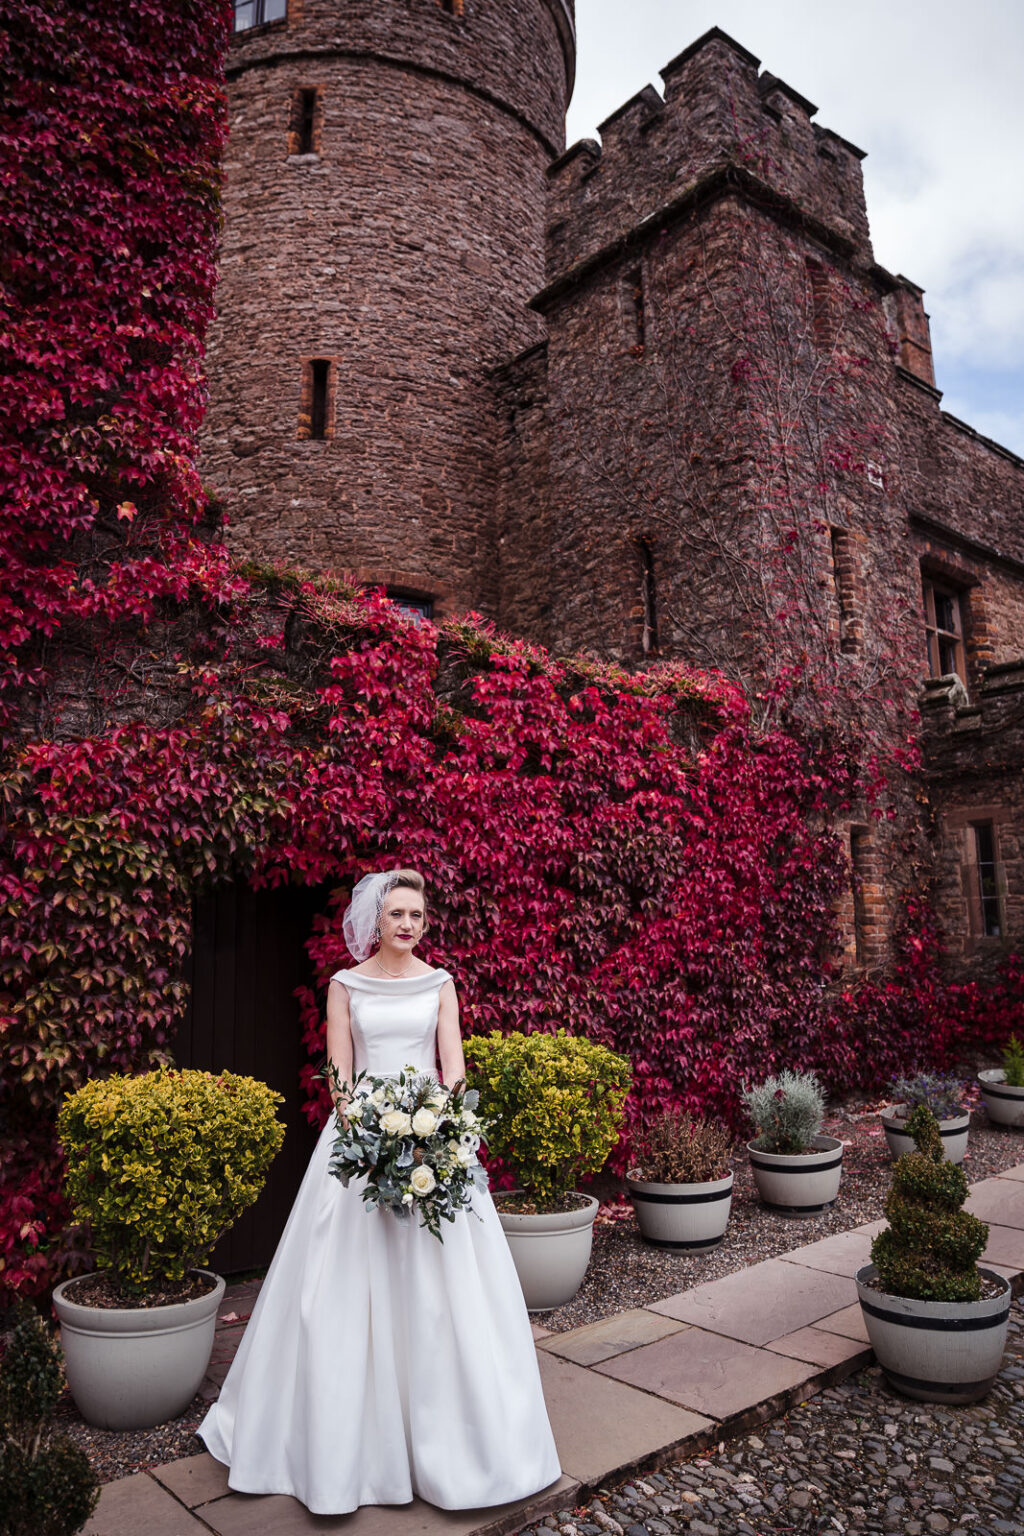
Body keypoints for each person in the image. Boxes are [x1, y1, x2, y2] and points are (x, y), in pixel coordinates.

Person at [197, 867, 561, 1516]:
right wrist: (368, 1131)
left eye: (416, 916)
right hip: (360, 1136)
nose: (407, 924)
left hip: (430, 1134)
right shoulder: (344, 987)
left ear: (424, 924)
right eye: (397, 913)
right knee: (335, 1287)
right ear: (376, 920)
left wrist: (433, 1134)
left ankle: (459, 1445)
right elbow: (340, 1072)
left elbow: (453, 1071)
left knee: (444, 1291)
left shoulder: (441, 984)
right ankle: (340, 1445)